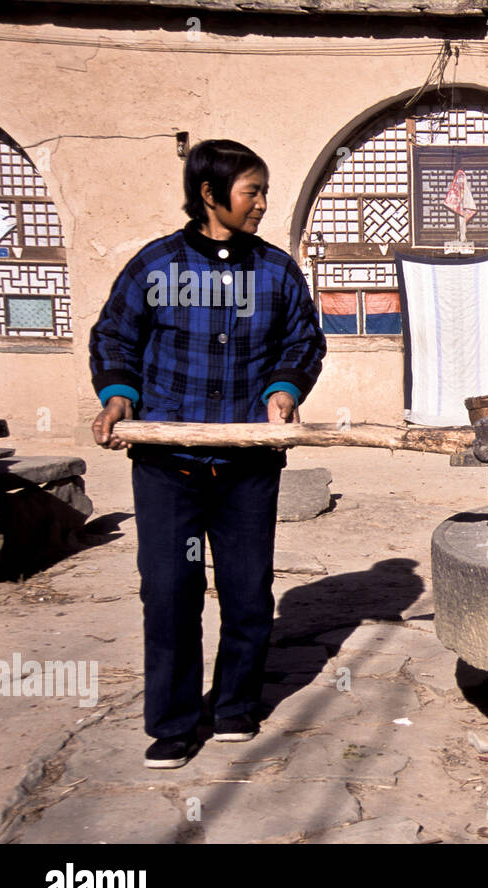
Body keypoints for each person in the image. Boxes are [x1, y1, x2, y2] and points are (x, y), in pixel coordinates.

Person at [89, 139, 326, 768]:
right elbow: (116, 335)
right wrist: (118, 399)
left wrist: (283, 391)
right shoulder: (156, 266)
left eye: (264, 191)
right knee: (169, 592)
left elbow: (303, 342)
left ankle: (234, 706)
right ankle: (171, 723)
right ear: (210, 195)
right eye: (252, 192)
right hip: (169, 467)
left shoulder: (276, 271)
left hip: (247, 465)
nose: (263, 205)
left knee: (248, 592)